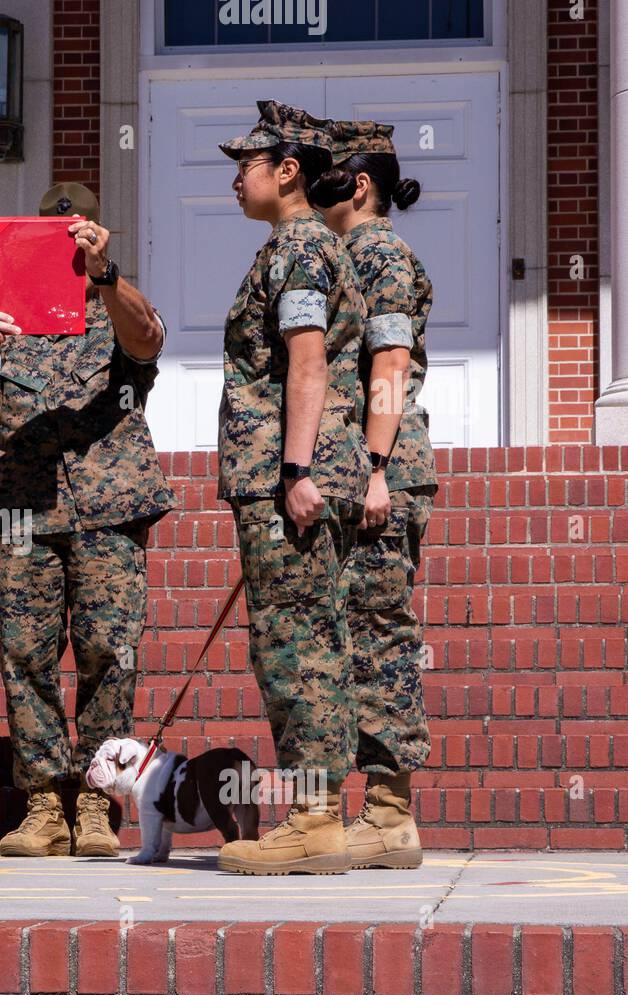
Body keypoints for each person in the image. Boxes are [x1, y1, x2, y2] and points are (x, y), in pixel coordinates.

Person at [0, 182, 174, 858]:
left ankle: (97, 803)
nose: (62, 246)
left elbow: (149, 338)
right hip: (27, 515)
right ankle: (45, 802)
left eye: (73, 234)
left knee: (109, 652)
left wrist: (105, 274)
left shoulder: (116, 307)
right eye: (48, 235)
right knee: (25, 655)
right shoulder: (12, 323)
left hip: (109, 512)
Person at [210, 101, 370, 876]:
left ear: (288, 171)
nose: (235, 178)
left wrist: (296, 472)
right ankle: (320, 814)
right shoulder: (300, 246)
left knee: (293, 646)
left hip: (289, 481)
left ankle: (313, 816)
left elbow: (307, 360)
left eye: (246, 164)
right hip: (293, 475)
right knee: (309, 639)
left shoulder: (299, 250)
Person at [321, 119, 436, 869]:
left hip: (380, 474)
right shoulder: (349, 253)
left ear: (359, 184)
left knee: (379, 640)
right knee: (353, 637)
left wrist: (373, 467)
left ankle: (390, 814)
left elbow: (389, 362)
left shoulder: (379, 253)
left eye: (326, 173)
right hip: (363, 469)